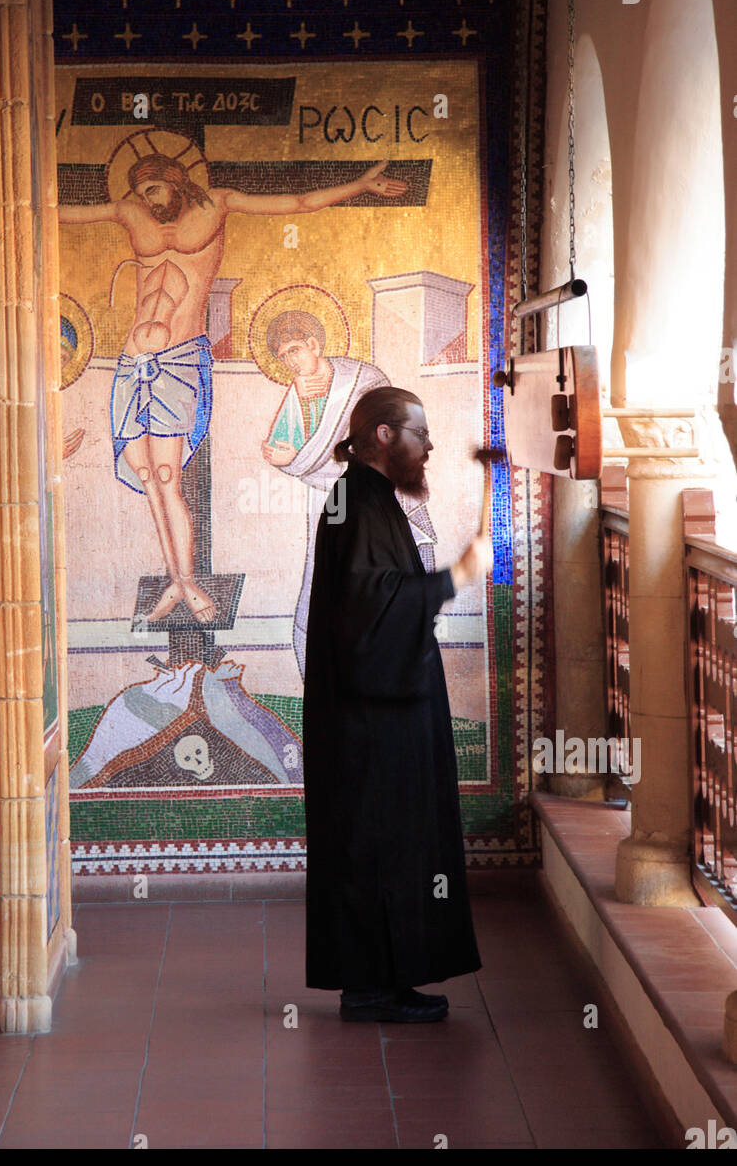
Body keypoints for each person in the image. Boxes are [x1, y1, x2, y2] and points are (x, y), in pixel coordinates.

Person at [59, 154, 407, 623]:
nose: (146, 200)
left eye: (153, 189)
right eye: (140, 193)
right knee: (145, 476)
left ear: (175, 180)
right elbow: (61, 212)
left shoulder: (215, 206)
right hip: (131, 363)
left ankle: (188, 582)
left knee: (167, 476)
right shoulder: (131, 213)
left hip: (179, 362)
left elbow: (298, 201)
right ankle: (174, 580)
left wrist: (359, 185)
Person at [302, 386, 492, 1023]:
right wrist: (457, 576)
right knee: (377, 840)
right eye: (420, 432)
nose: (430, 444)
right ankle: (372, 987)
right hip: (371, 716)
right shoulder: (357, 501)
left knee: (388, 840)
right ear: (384, 435)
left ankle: (388, 976)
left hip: (377, 707)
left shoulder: (366, 497)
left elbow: (380, 597)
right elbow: (371, 605)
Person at [260, 308, 388, 676]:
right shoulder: (298, 389)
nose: (290, 361)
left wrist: (295, 459)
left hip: (366, 497)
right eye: (283, 356)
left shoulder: (364, 381)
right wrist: (282, 454)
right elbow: (284, 442)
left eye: (294, 350)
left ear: (314, 344)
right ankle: (325, 667)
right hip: (324, 498)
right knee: (323, 575)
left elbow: (380, 448)